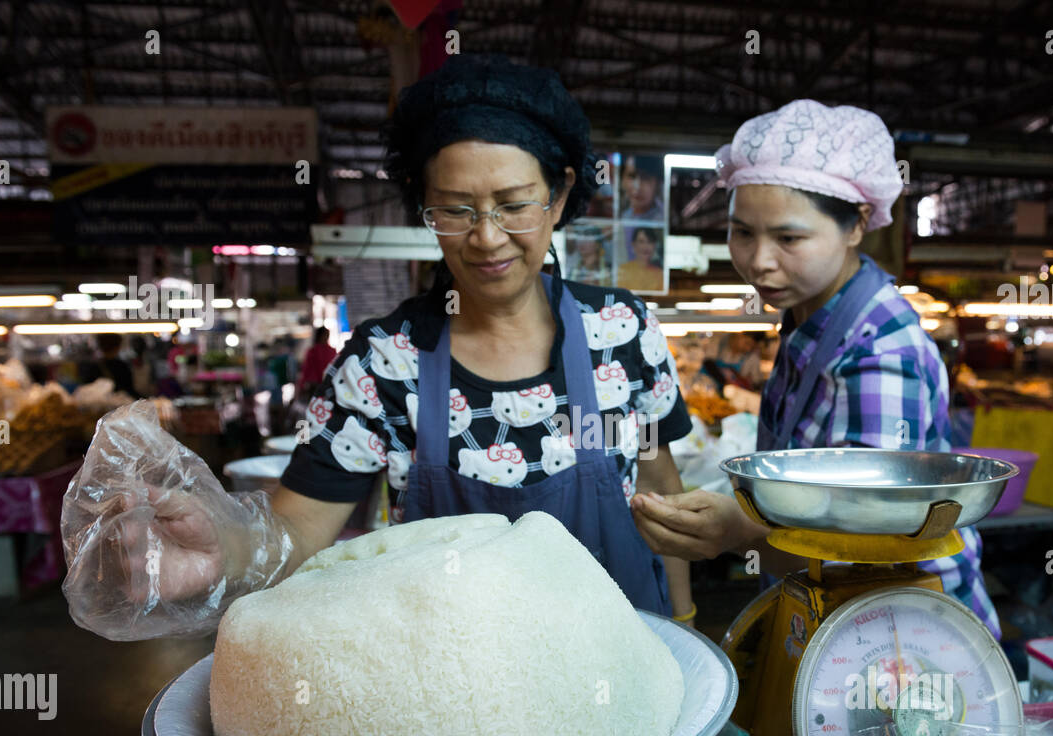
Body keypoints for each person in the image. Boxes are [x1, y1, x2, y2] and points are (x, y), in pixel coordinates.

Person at [64, 53, 694, 639]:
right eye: (455, 209)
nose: (487, 237)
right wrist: (224, 550)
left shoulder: (621, 330)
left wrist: (685, 627)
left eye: (513, 205)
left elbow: (661, 498)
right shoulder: (385, 361)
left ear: (557, 195)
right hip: (457, 672)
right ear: (427, 209)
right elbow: (299, 528)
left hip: (621, 652)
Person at [629, 99, 1001, 640]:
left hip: (909, 639)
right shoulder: (812, 315)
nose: (759, 261)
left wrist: (737, 530)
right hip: (841, 624)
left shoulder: (879, 351)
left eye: (789, 238)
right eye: (742, 233)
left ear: (857, 227)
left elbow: (873, 545)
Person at [616, 226, 663, 291]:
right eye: (641, 241)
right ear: (634, 245)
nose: (645, 247)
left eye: (649, 242)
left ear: (654, 245)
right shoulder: (623, 270)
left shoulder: (660, 274)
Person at [619, 155, 664, 221]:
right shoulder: (624, 216)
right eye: (632, 176)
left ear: (658, 183)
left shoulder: (664, 218)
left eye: (645, 177)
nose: (637, 187)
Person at [297, 326, 336, 394]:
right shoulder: (314, 351)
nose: (327, 337)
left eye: (327, 334)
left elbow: (306, 369)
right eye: (325, 334)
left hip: (322, 384)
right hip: (320, 384)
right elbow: (307, 369)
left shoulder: (314, 351)